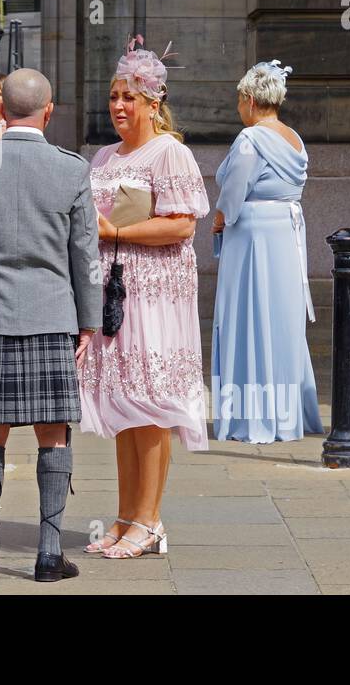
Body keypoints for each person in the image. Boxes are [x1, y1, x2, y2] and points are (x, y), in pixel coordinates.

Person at [0, 68, 101, 583]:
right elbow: (85, 255)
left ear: (1, 109)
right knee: (53, 432)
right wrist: (89, 321)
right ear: (48, 111)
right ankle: (49, 554)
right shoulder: (70, 169)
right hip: (53, 316)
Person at [78, 38, 210, 560]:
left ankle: (150, 521)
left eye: (128, 97)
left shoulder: (170, 152)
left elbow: (182, 225)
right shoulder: (104, 155)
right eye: (113, 96)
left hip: (155, 291)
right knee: (124, 401)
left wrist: (116, 235)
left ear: (153, 103)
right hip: (112, 287)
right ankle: (125, 515)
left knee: (151, 402)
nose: (118, 106)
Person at [210, 61, 323, 443]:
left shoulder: (250, 139)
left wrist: (221, 217)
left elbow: (235, 191)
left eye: (239, 100)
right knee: (280, 318)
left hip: (253, 236)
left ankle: (251, 415)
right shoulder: (294, 137)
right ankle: (286, 410)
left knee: (248, 315)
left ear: (250, 99)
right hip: (286, 236)